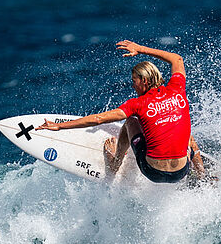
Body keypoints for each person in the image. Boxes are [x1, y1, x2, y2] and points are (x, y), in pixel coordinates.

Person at [36, 40, 206, 183]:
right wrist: (140, 49)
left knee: (131, 121)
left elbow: (98, 119)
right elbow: (177, 59)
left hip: (153, 172)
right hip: (180, 172)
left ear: (145, 81)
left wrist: (60, 127)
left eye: (135, 81)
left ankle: (115, 163)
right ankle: (202, 176)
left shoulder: (138, 104)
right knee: (188, 137)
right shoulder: (177, 89)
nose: (133, 85)